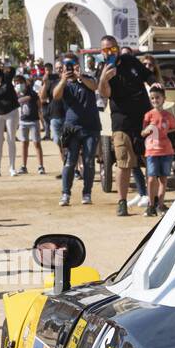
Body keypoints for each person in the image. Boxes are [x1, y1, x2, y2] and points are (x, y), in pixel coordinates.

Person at [96, 35, 152, 216]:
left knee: (151, 160)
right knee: (124, 163)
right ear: (101, 52)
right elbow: (106, 94)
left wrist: (156, 84)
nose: (109, 53)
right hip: (121, 122)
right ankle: (122, 202)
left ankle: (154, 200)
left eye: (112, 49)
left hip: (144, 119)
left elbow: (148, 75)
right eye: (105, 50)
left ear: (118, 48)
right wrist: (104, 79)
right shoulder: (102, 69)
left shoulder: (130, 60)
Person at [53, 54, 101, 206]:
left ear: (77, 64)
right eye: (66, 65)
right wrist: (63, 79)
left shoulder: (87, 78)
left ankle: (87, 193)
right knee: (70, 161)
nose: (69, 69)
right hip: (72, 129)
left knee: (89, 161)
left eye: (71, 65)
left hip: (91, 128)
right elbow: (56, 96)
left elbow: (95, 86)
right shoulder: (64, 84)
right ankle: (65, 194)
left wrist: (81, 76)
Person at [140, 86, 175, 216]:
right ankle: (151, 205)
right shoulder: (148, 115)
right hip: (152, 151)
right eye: (152, 98)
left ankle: (160, 205)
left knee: (163, 179)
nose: (155, 100)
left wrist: (166, 133)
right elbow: (143, 132)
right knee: (151, 179)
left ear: (164, 99)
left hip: (166, 151)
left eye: (157, 97)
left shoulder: (169, 116)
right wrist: (147, 131)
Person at [15, 74, 45, 175]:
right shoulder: (16, 94)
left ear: (25, 83)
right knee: (24, 143)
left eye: (20, 83)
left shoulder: (31, 92)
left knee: (37, 143)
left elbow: (38, 102)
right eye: (16, 83)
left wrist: (40, 115)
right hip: (22, 121)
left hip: (33, 121)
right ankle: (23, 166)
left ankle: (41, 166)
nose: (18, 85)